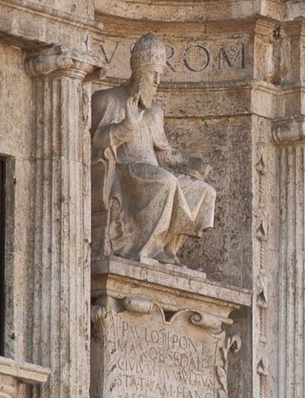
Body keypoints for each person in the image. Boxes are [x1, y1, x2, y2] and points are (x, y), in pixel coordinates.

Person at [91, 33, 217, 267]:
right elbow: (95, 144)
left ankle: (166, 247)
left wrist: (190, 163)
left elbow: (164, 152)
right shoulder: (109, 100)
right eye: (153, 75)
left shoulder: (155, 111)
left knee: (204, 191)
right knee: (166, 183)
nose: (158, 81)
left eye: (160, 75)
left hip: (153, 171)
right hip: (127, 171)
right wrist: (125, 126)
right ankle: (146, 248)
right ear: (139, 74)